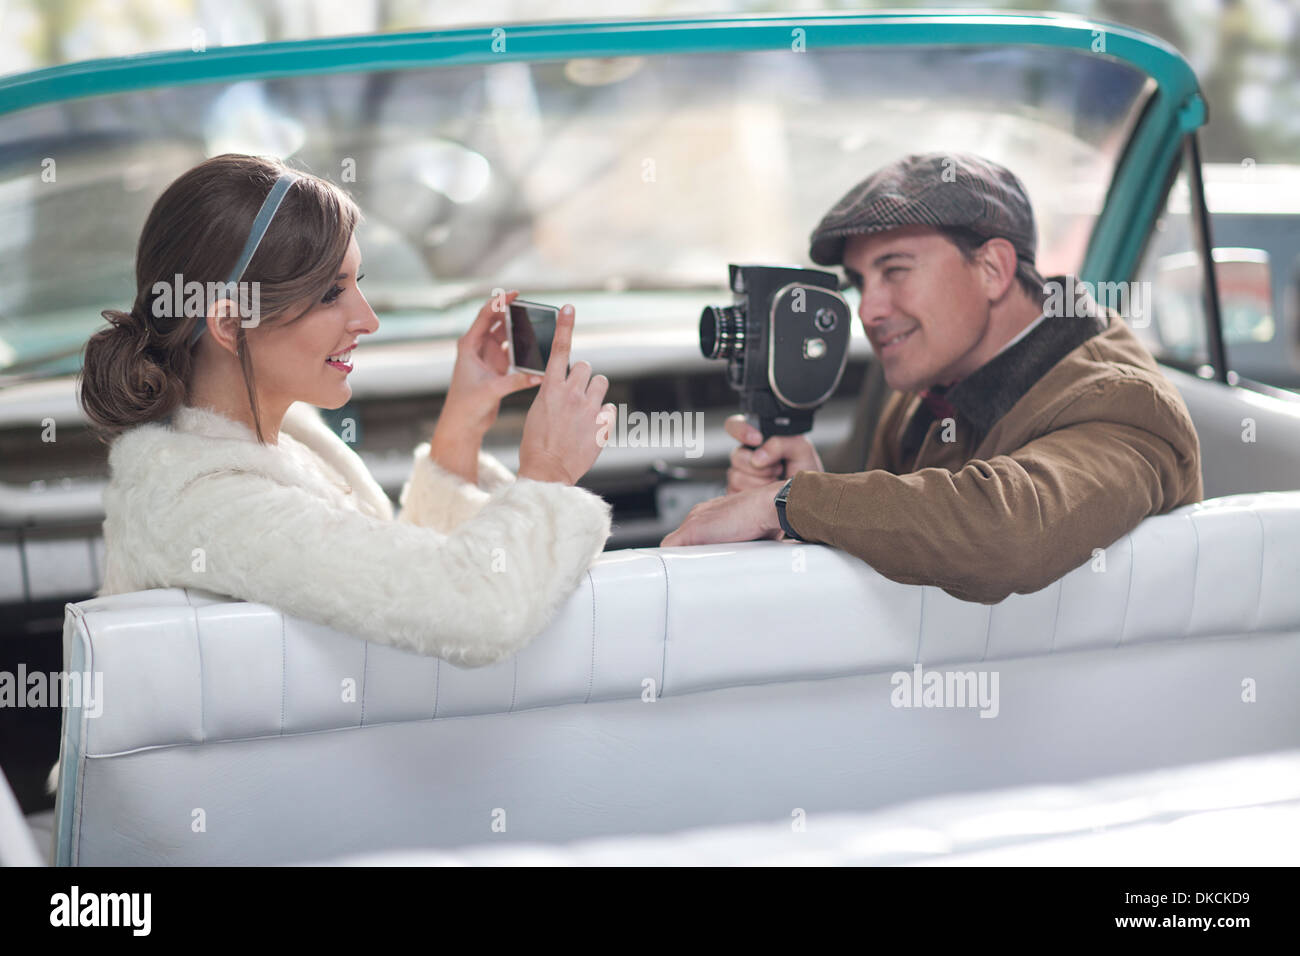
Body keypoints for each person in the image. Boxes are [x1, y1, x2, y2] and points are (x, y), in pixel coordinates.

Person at [79, 153, 616, 666]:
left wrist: (460, 429)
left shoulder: (278, 440)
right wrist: (548, 472)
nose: (368, 320)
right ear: (228, 325)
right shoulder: (202, 502)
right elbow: (472, 610)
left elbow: (383, 578)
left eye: (357, 284)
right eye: (330, 295)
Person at [662, 152, 1204, 604]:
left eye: (896, 270)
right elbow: (902, 523)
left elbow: (1005, 534)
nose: (869, 310)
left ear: (993, 269)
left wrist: (784, 502)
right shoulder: (926, 373)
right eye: (859, 281)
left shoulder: (1124, 404)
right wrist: (808, 499)